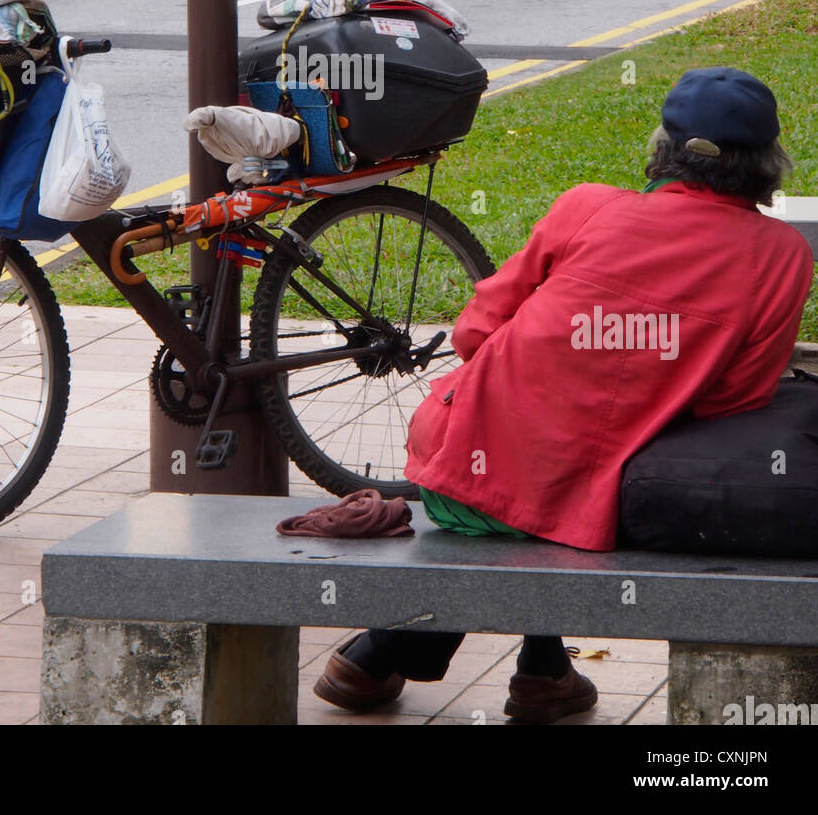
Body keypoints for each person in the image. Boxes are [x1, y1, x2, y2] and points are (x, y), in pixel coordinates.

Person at [315, 67, 814, 723]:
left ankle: (442, 660)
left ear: (662, 147)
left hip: (457, 466)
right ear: (767, 164)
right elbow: (733, 400)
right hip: (593, 496)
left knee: (539, 491)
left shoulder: (587, 204)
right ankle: (516, 669)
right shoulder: (780, 253)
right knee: (564, 495)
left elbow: (472, 332)